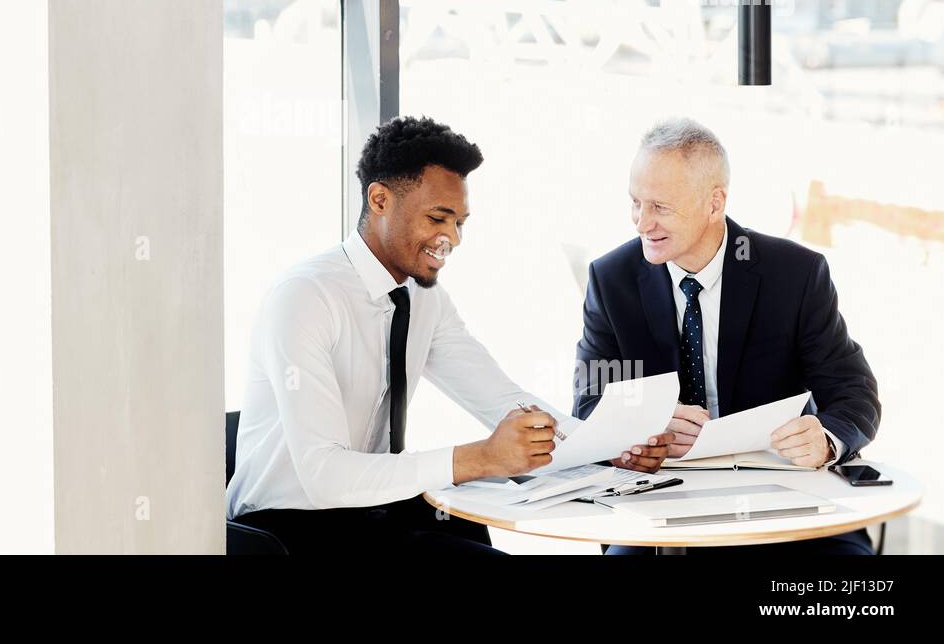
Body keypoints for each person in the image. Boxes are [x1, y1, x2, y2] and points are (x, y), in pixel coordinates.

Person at [227, 115, 673, 555]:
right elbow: (322, 475)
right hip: (286, 530)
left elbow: (501, 399)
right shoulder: (305, 297)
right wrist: (478, 458)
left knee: (469, 527)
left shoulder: (423, 299)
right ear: (380, 200)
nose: (452, 238)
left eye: (459, 222)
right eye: (438, 218)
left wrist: (605, 448)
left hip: (372, 512)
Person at [574, 118, 881, 554]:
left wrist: (825, 440)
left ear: (714, 203)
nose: (642, 223)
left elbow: (853, 391)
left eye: (660, 206)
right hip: (656, 498)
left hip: (779, 493)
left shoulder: (793, 274)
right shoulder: (612, 278)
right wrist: (645, 421)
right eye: (635, 203)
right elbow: (589, 403)